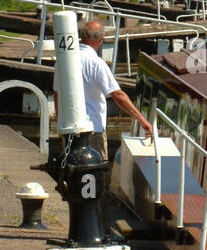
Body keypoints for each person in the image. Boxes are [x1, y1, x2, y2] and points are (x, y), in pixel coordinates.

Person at [53, 19, 152, 158]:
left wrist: (60, 123)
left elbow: (57, 93)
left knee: (71, 170)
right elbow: (117, 95)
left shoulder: (62, 61)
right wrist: (142, 120)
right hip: (92, 130)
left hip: (68, 128)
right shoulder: (96, 63)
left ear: (82, 37)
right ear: (101, 40)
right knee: (97, 172)